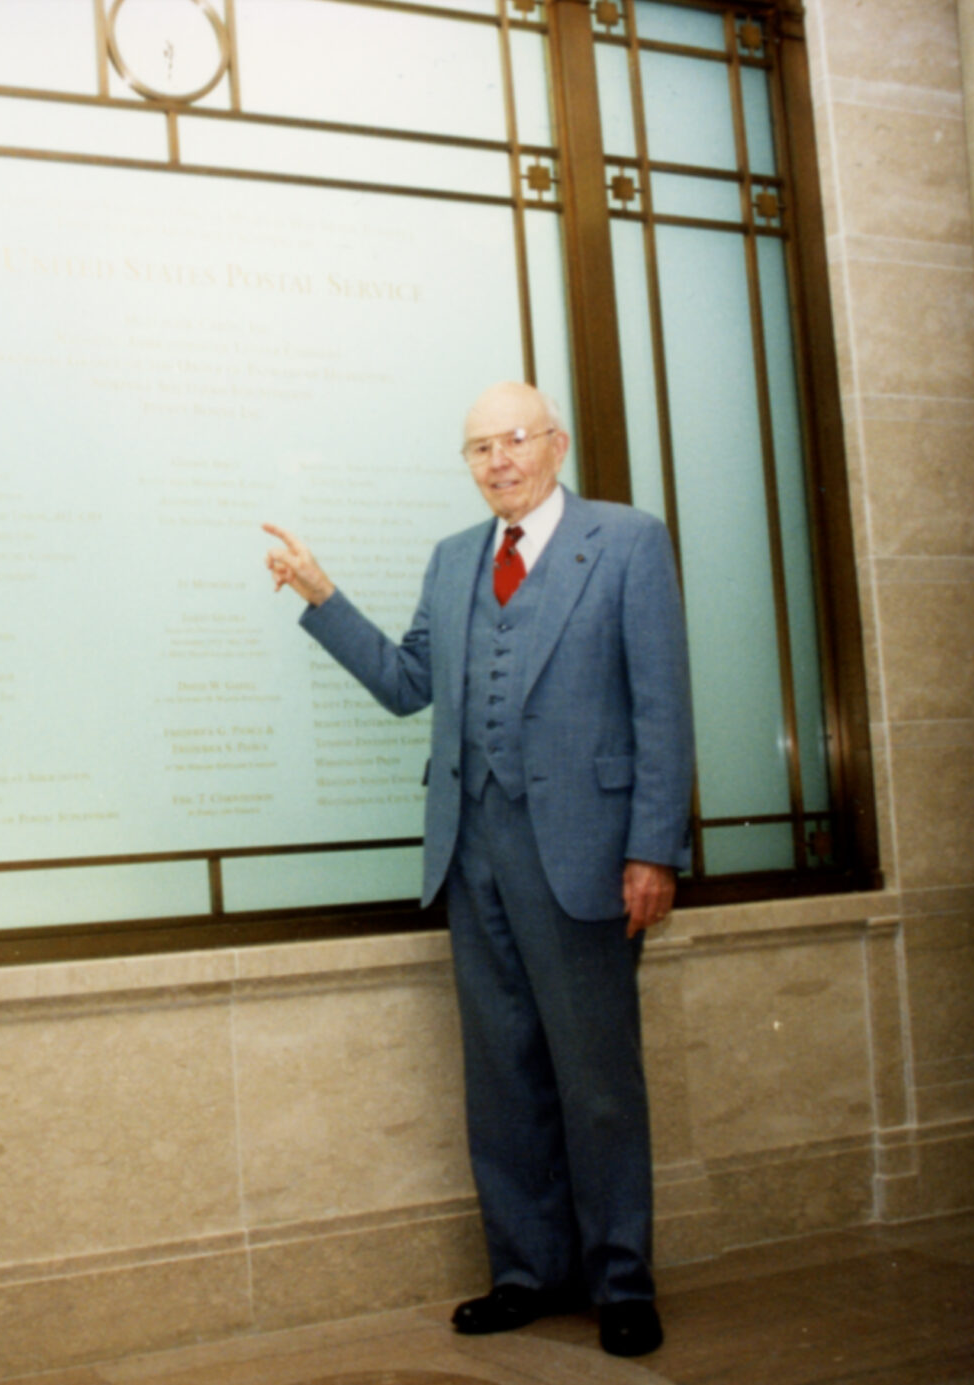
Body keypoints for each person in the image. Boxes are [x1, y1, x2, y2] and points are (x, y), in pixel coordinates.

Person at [262, 381, 693, 1358]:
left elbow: (662, 705)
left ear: (555, 443)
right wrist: (323, 598)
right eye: (475, 448)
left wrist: (650, 850)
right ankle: (524, 1272)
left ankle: (620, 1279)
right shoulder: (454, 558)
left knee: (595, 1081)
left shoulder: (625, 541)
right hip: (473, 855)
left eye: (511, 440)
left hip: (586, 861)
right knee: (500, 1076)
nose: (495, 460)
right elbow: (408, 686)